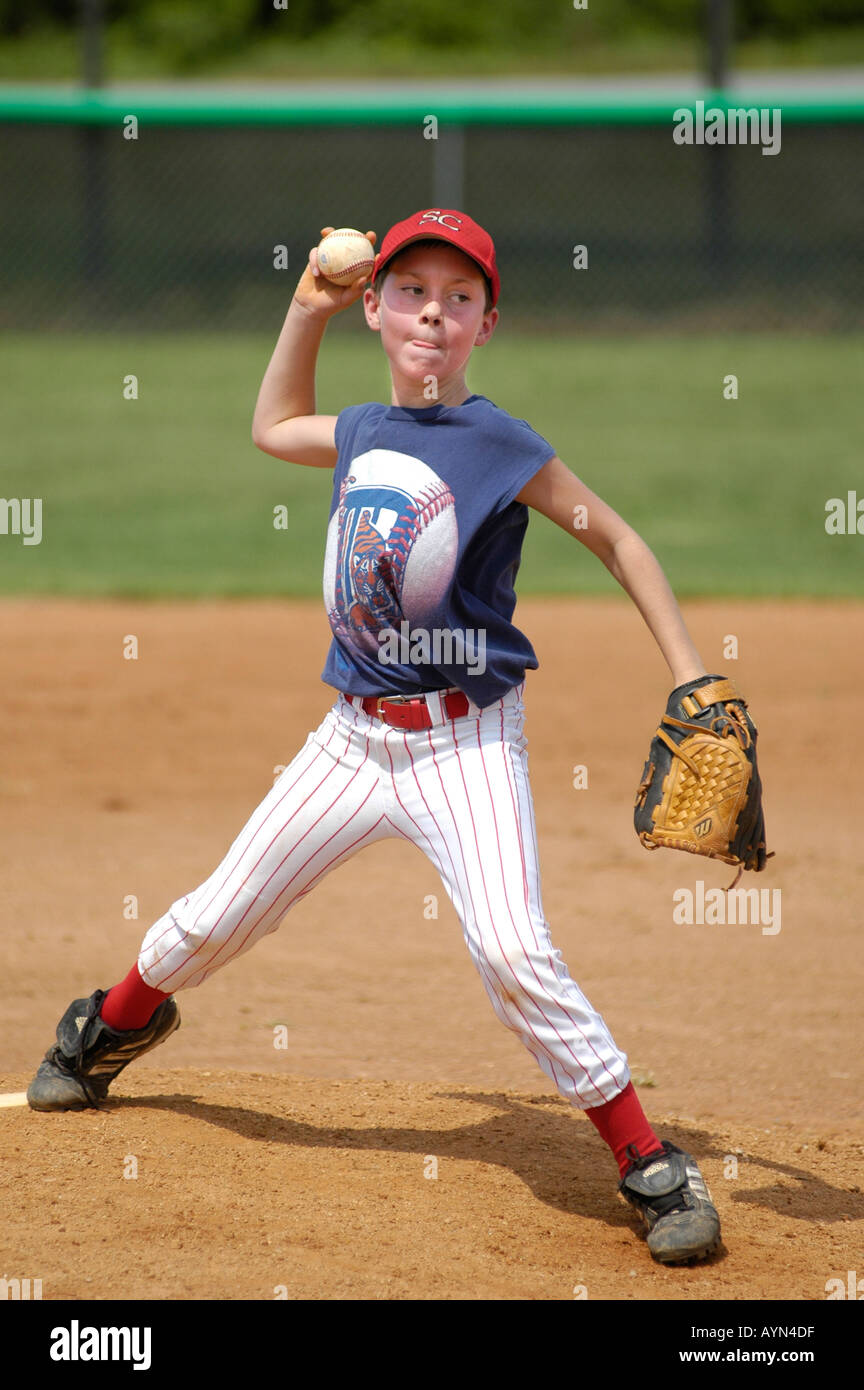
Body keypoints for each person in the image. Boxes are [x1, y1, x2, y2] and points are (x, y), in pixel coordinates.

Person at [27, 208, 721, 1266]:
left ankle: (643, 1156)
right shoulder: (360, 428)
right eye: (410, 291)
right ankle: (111, 1025)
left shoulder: (503, 444)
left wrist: (693, 672)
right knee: (212, 919)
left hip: (466, 744)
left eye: (458, 296)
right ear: (374, 307)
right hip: (352, 741)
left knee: (510, 946)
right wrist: (301, 311)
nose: (432, 312)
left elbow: (620, 539)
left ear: (489, 321)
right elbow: (271, 427)